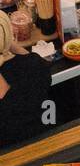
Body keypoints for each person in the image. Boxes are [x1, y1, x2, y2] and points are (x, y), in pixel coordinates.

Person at [0, 10, 53, 147]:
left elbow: (4, 96)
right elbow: (31, 59)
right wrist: (7, 43)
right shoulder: (34, 65)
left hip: (10, 150)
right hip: (44, 134)